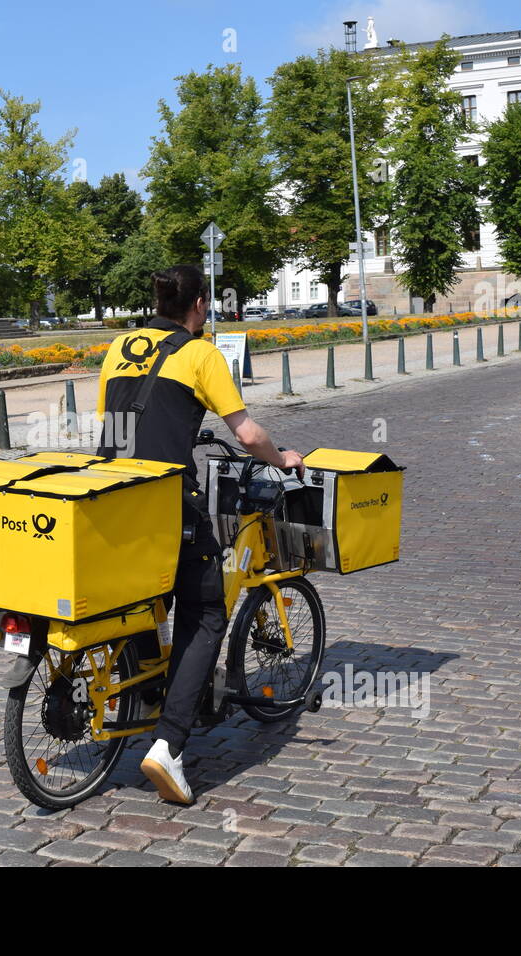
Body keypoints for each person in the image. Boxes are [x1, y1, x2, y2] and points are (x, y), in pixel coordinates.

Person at [95, 265, 304, 805]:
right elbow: (249, 433)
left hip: (114, 492)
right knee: (206, 612)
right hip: (167, 499)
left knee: (138, 597)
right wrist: (281, 458)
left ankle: (143, 690)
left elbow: (114, 428)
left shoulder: (119, 346)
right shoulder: (200, 353)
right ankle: (169, 746)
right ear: (199, 305)